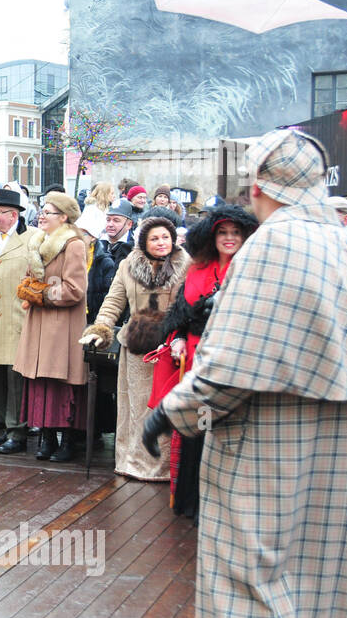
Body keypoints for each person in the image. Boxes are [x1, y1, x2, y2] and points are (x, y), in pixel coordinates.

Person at [143, 128, 347, 618]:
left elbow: (228, 371)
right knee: (307, 584)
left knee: (254, 588)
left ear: (260, 187)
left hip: (269, 448)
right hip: (337, 451)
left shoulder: (272, 246)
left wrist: (169, 414)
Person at [151, 205, 258, 518]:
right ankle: (192, 499)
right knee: (197, 429)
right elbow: (181, 317)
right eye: (223, 233)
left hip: (234, 362)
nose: (229, 238)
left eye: (235, 233)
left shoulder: (252, 268)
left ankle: (222, 505)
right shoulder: (198, 270)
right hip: (197, 360)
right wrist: (179, 339)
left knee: (226, 433)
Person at [81, 214, 189, 480]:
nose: (161, 242)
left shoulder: (185, 264)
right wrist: (101, 328)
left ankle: (163, 467)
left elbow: (189, 304)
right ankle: (131, 462)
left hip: (169, 346)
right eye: (154, 238)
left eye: (165, 237)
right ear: (143, 240)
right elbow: (114, 300)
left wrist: (179, 335)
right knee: (133, 407)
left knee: (162, 406)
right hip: (135, 344)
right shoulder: (129, 264)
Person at [14, 191, 88, 462]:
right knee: (40, 384)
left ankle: (66, 440)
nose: (42, 215)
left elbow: (75, 290)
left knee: (62, 384)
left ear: (64, 217)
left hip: (62, 325)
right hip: (39, 324)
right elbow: (28, 280)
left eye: (49, 211)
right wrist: (26, 287)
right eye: (42, 211)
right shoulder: (37, 242)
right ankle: (46, 439)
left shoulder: (74, 245)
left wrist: (41, 294)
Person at [0, 187, 39, 454]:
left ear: (14, 215)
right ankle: (4, 423)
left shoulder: (33, 239)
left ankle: (18, 430)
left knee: (17, 378)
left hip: (19, 316)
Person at [104, 198, 136, 265]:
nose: (110, 224)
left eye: (116, 220)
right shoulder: (98, 243)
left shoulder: (134, 249)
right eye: (108, 220)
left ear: (129, 224)